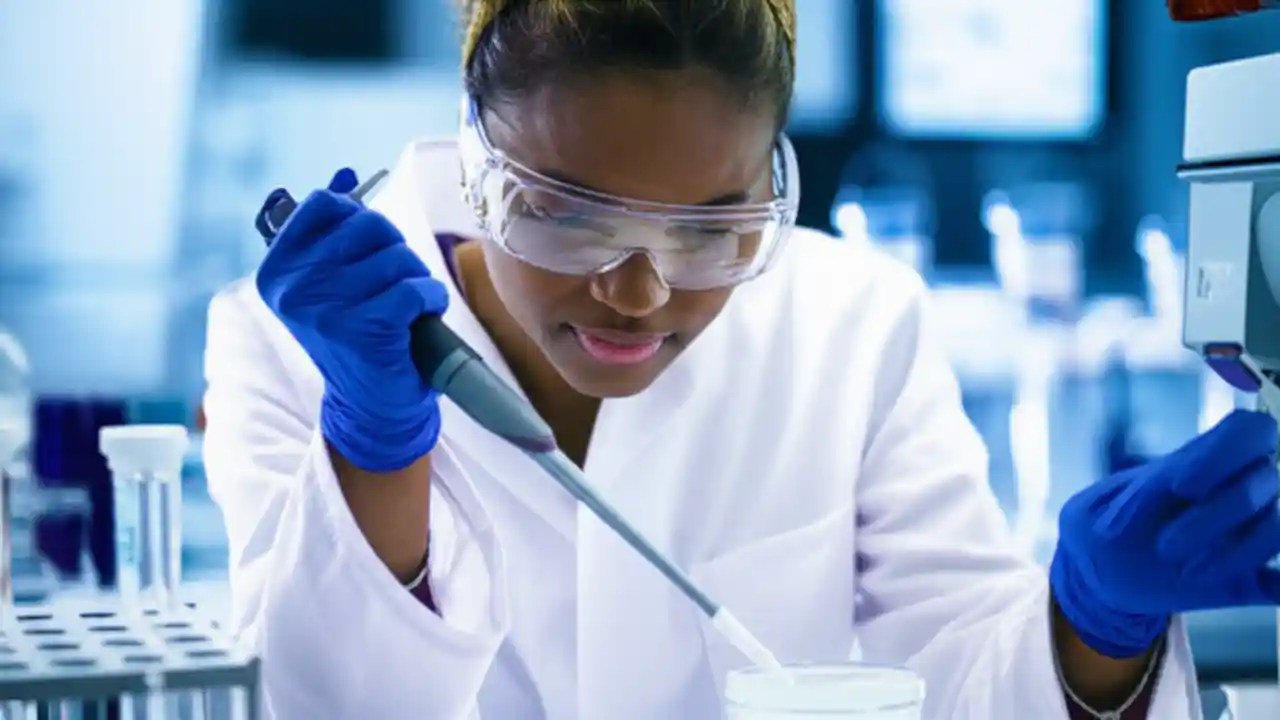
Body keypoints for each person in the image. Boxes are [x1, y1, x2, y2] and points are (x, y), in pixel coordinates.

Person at [201, 1, 1280, 717]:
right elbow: (311, 702)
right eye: (571, 220)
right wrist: (374, 442)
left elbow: (958, 686)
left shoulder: (852, 325)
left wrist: (1086, 622)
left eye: (713, 228)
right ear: (479, 160)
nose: (640, 292)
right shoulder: (288, 340)